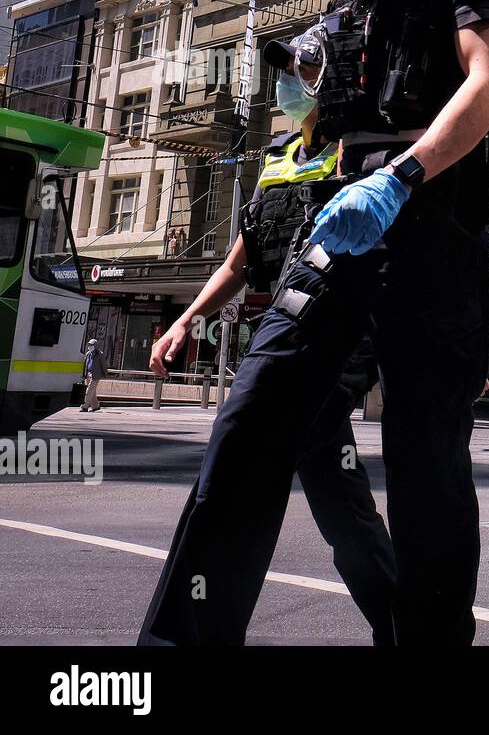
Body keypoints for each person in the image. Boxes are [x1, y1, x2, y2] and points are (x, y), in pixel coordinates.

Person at [139, 0, 489, 646]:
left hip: (426, 228)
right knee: (250, 422)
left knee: (426, 469)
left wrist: (403, 178)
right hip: (339, 224)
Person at [145, 94, 396, 646]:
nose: (291, 83)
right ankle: (403, 626)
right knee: (339, 501)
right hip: (287, 325)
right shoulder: (277, 157)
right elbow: (241, 258)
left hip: (341, 332)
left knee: (245, 447)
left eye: (308, 66)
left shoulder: (359, 147)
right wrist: (185, 319)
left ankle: (189, 636)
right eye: (284, 71)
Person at [80, 339, 107, 413]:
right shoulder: (88, 353)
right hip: (88, 374)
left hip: (96, 375)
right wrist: (83, 374)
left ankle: (85, 406)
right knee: (92, 391)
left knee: (89, 390)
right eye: (89, 344)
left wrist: (105, 374)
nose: (90, 346)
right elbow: (85, 365)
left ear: (95, 346)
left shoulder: (100, 354)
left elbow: (104, 365)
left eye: (92, 345)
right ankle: (96, 406)